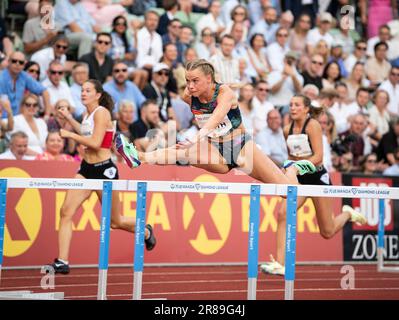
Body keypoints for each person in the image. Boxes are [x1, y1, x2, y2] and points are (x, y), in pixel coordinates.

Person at [115, 59, 317, 198]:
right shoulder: (188, 96)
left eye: (195, 81)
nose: (190, 86)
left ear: (209, 80)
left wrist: (197, 136)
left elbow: (218, 115)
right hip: (216, 150)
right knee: (181, 152)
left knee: (287, 192)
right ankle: (137, 157)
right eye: (187, 81)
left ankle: (292, 168)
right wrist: (198, 140)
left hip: (242, 149)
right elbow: (199, 107)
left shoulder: (225, 93)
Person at [47, 79, 156, 274]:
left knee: (116, 221)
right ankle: (62, 261)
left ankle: (146, 230)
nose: (83, 93)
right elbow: (86, 132)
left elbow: (96, 142)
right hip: (86, 169)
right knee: (65, 211)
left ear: (97, 95)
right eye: (81, 90)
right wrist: (70, 119)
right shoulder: (87, 114)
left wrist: (70, 135)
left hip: (104, 170)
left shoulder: (102, 113)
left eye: (87, 90)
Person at [260, 95, 367, 276]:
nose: (293, 108)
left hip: (317, 178)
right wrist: (288, 167)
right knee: (283, 213)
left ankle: (348, 213)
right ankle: (280, 263)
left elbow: (318, 157)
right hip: (301, 180)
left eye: (297, 105)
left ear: (306, 109)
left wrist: (296, 167)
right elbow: (293, 156)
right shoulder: (287, 130)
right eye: (291, 104)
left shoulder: (313, 126)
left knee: (327, 231)